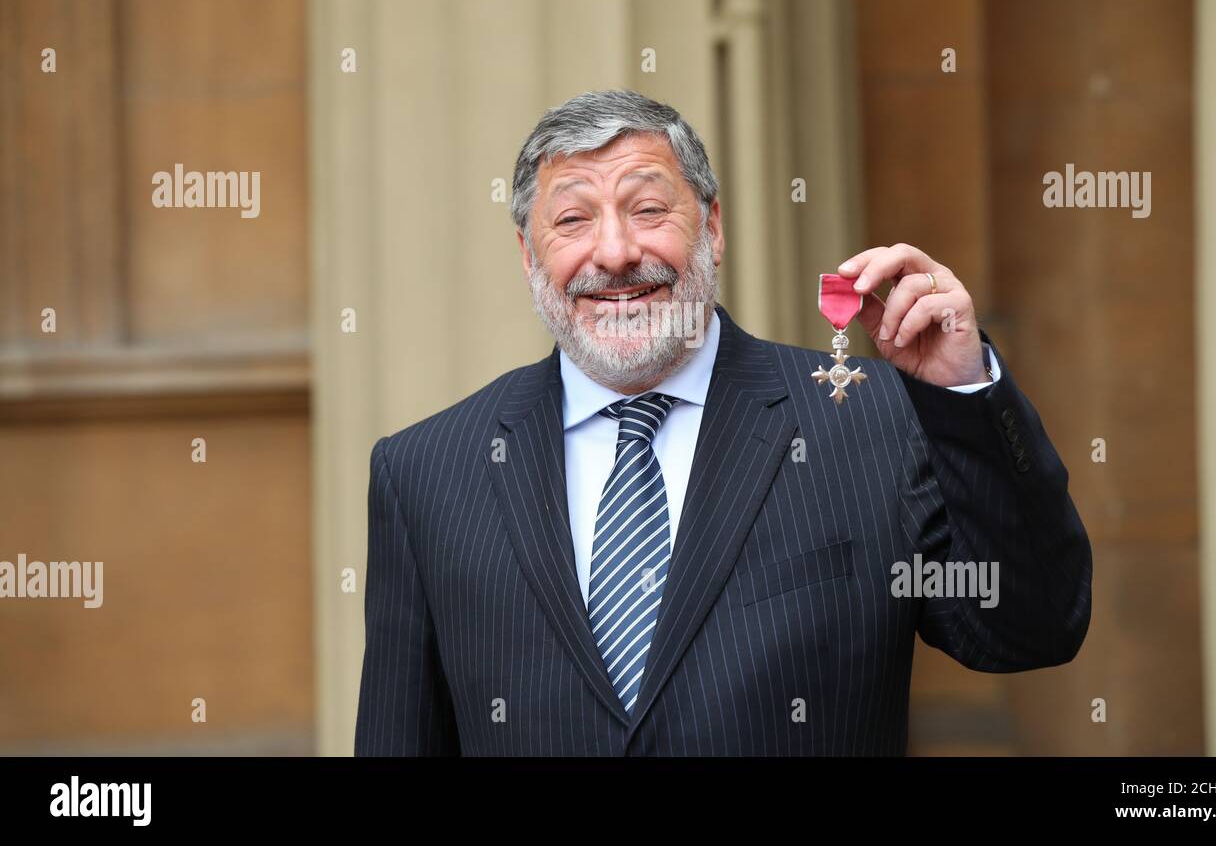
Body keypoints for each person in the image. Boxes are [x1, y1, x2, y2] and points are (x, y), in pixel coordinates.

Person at [354, 89, 1091, 756]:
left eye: (648, 209)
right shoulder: (426, 473)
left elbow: (1032, 624)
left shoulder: (870, 419)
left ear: (712, 226)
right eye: (572, 219)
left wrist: (963, 394)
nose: (614, 252)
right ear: (528, 255)